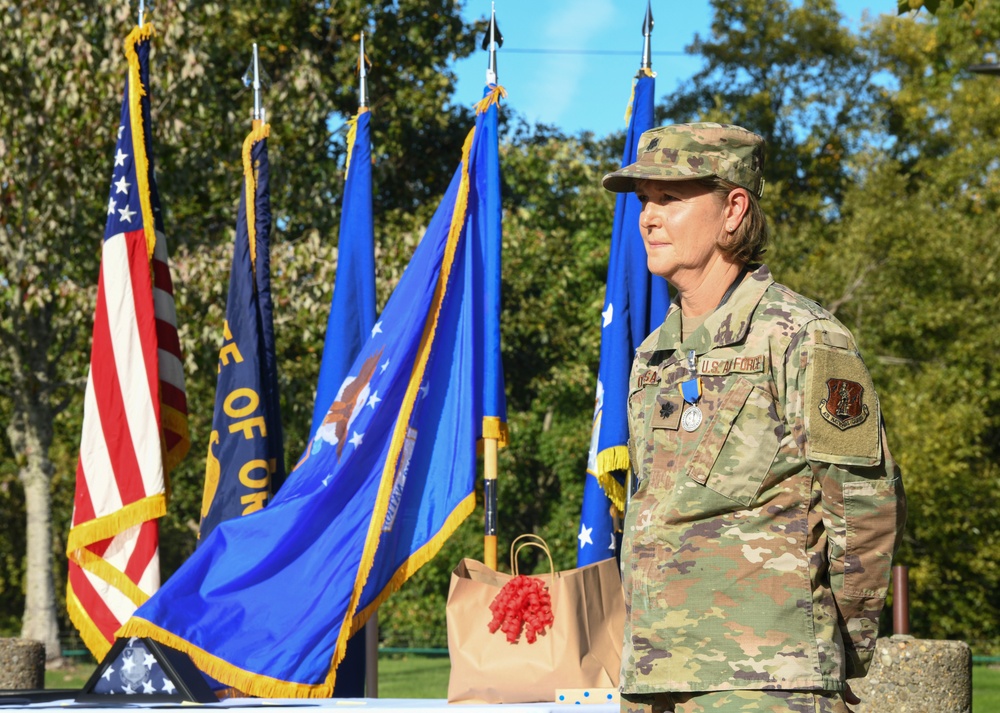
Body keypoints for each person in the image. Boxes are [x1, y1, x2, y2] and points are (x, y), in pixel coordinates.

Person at [602, 123, 906, 713]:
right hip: (654, 677)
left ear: (733, 208)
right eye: (644, 202)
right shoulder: (654, 352)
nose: (648, 218)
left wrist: (830, 654)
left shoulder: (801, 337)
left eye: (671, 198)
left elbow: (863, 507)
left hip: (767, 682)